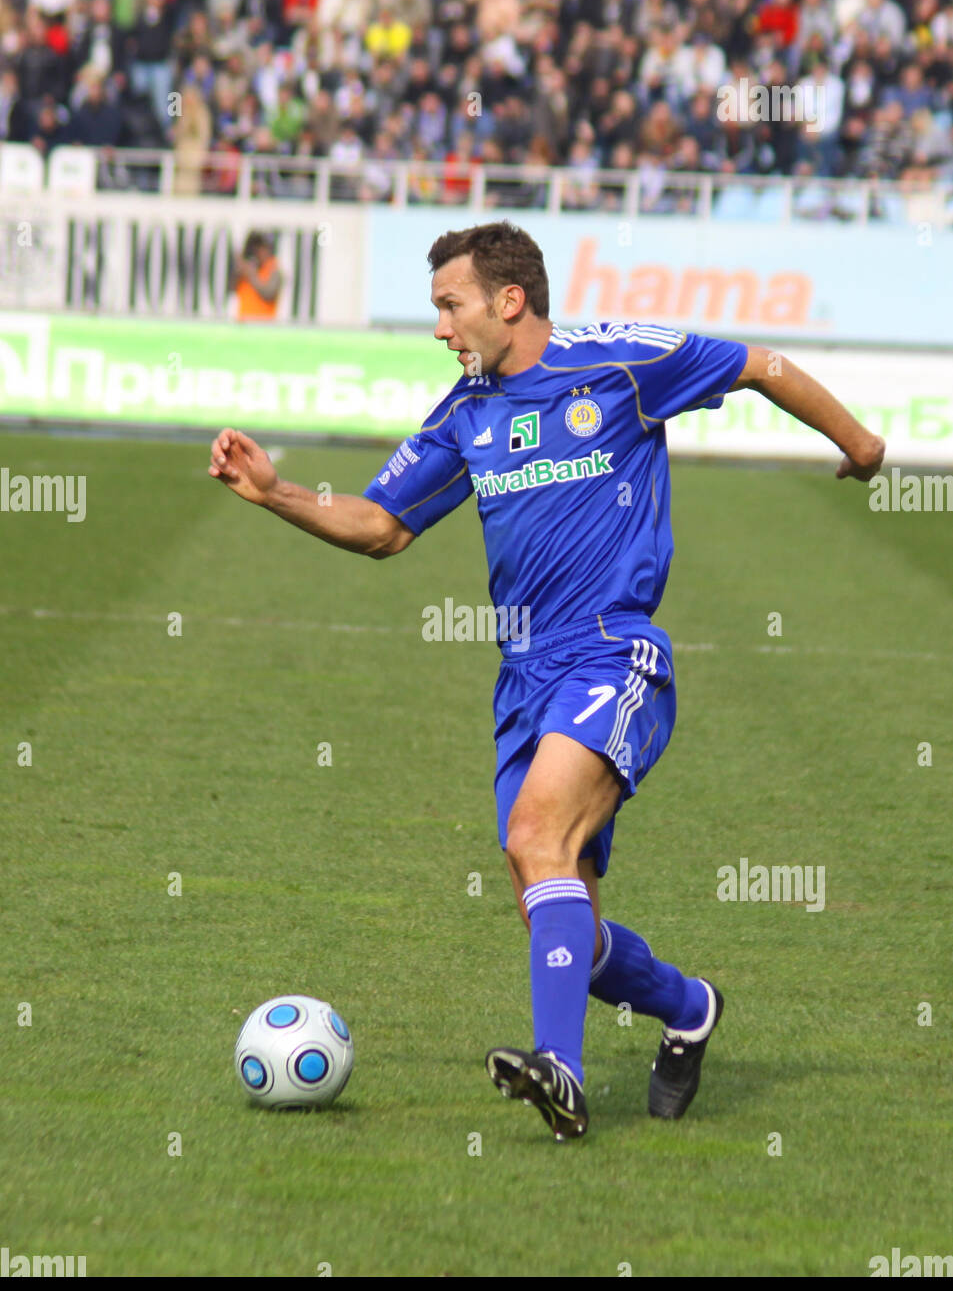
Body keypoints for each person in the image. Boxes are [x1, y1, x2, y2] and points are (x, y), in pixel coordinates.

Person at [209, 220, 885, 1141]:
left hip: (614, 652)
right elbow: (382, 524)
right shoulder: (465, 412)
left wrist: (861, 444)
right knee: (557, 916)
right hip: (522, 679)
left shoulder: (616, 364)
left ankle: (558, 1071)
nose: (441, 328)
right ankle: (688, 1007)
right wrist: (277, 492)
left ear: (509, 300)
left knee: (535, 835)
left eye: (450, 306)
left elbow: (758, 363)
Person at [232, 231, 283, 321]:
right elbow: (230, 289)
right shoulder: (245, 268)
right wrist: (237, 269)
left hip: (263, 327)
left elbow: (269, 294)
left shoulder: (273, 268)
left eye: (260, 247)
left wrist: (251, 275)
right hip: (243, 325)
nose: (257, 252)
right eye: (254, 248)